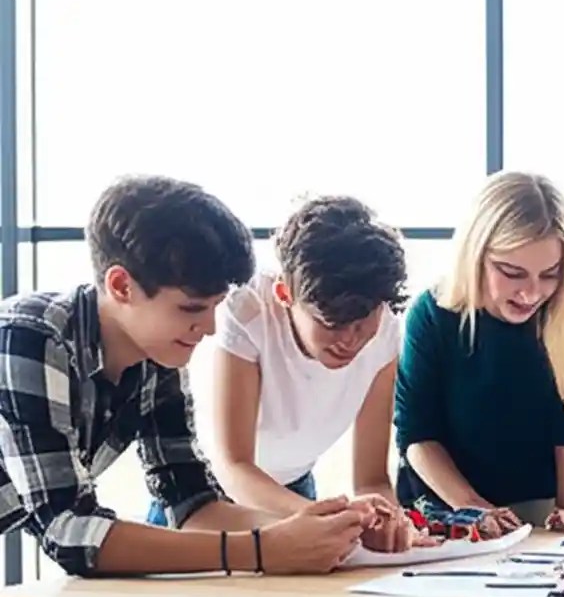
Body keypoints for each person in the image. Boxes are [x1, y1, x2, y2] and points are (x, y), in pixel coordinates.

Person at [0, 175, 381, 577]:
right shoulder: (30, 338)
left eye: (216, 306)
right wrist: (261, 549)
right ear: (121, 285)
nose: (212, 328)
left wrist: (329, 533)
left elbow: (193, 505)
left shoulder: (156, 357)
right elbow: (70, 534)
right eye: (191, 309)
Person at [146, 196, 427, 554]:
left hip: (295, 490)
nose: (349, 340)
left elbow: (371, 479)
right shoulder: (247, 312)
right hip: (206, 497)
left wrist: (390, 523)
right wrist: (323, 518)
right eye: (330, 323)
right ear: (284, 294)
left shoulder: (385, 331)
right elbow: (234, 465)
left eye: (361, 323)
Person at [394, 170, 564, 536]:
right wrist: (472, 508)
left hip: (538, 505)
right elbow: (416, 434)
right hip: (443, 509)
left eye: (550, 274)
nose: (532, 292)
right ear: (475, 256)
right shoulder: (432, 313)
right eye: (512, 272)